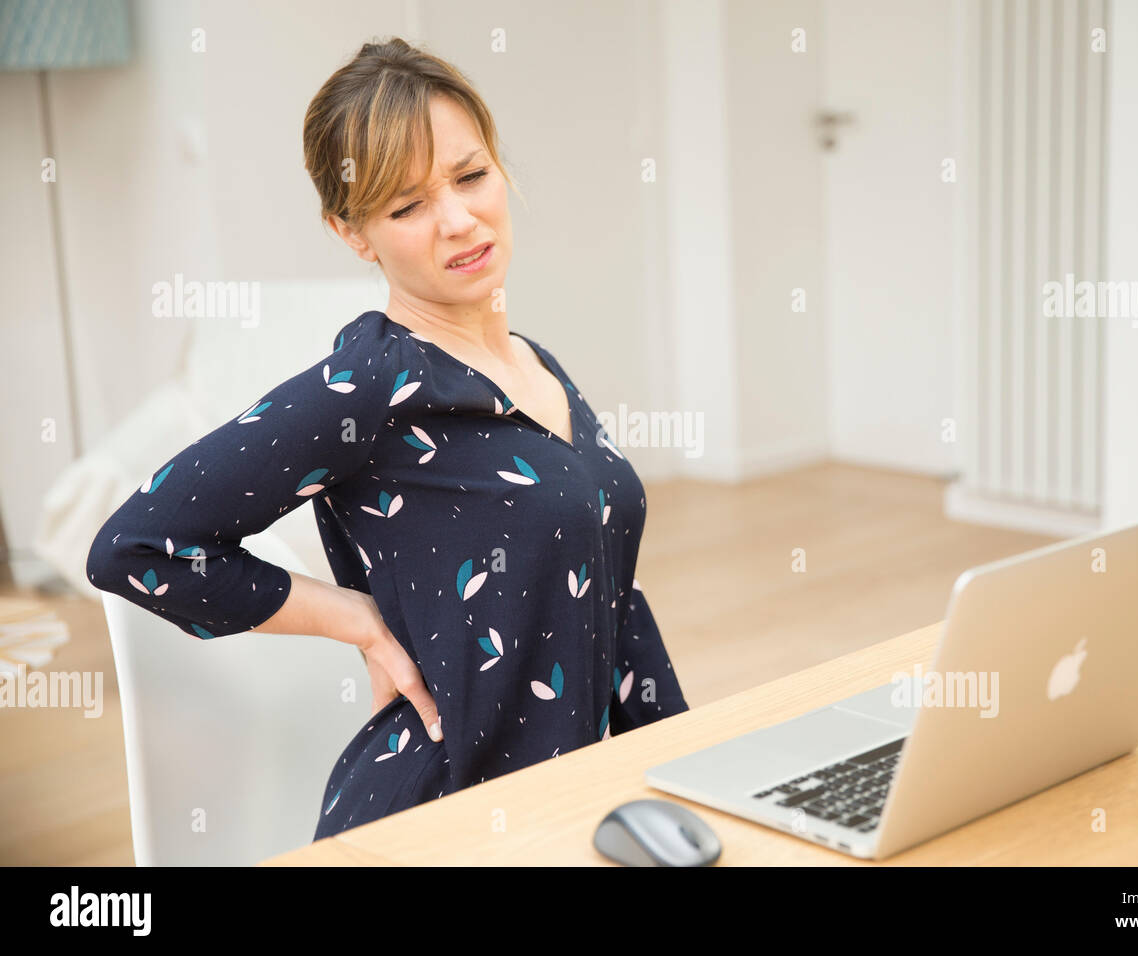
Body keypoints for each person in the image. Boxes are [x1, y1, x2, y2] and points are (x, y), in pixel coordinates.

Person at [85, 37, 689, 841]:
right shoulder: (369, 387)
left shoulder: (539, 367)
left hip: (570, 809)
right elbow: (135, 547)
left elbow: (612, 592)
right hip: (441, 817)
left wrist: (684, 768)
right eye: (407, 207)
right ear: (352, 233)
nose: (459, 219)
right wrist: (358, 620)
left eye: (471, 176)